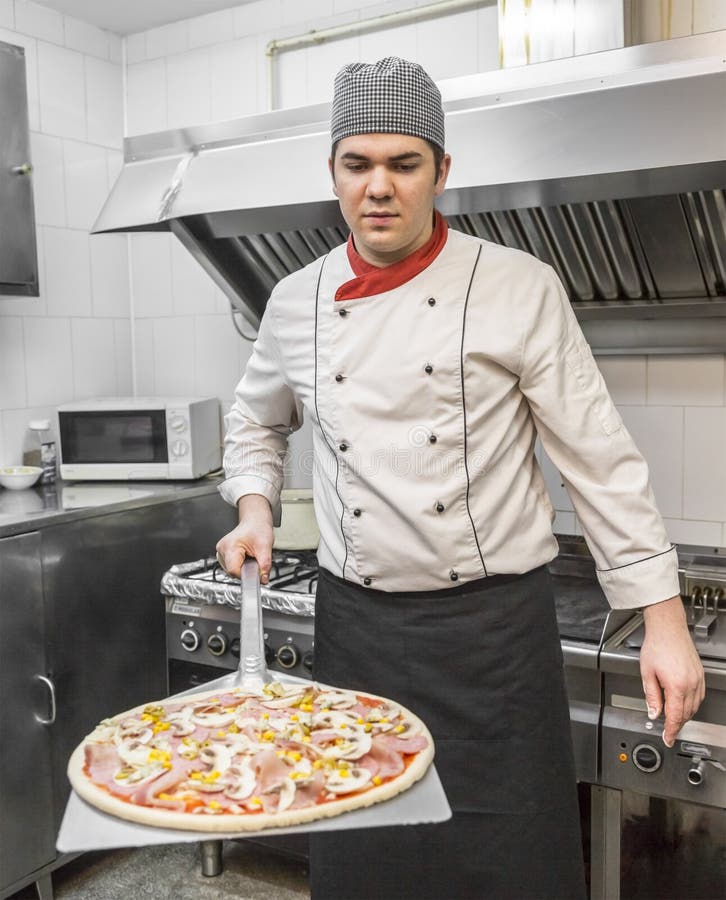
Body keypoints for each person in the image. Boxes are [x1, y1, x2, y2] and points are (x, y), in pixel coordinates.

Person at [215, 57, 705, 899]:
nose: (379, 187)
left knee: (507, 863)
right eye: (357, 163)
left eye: (404, 164)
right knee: (371, 858)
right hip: (357, 632)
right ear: (331, 171)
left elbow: (597, 458)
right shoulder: (295, 301)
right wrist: (255, 506)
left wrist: (663, 619)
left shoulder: (517, 286)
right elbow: (256, 418)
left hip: (493, 637)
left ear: (442, 171)